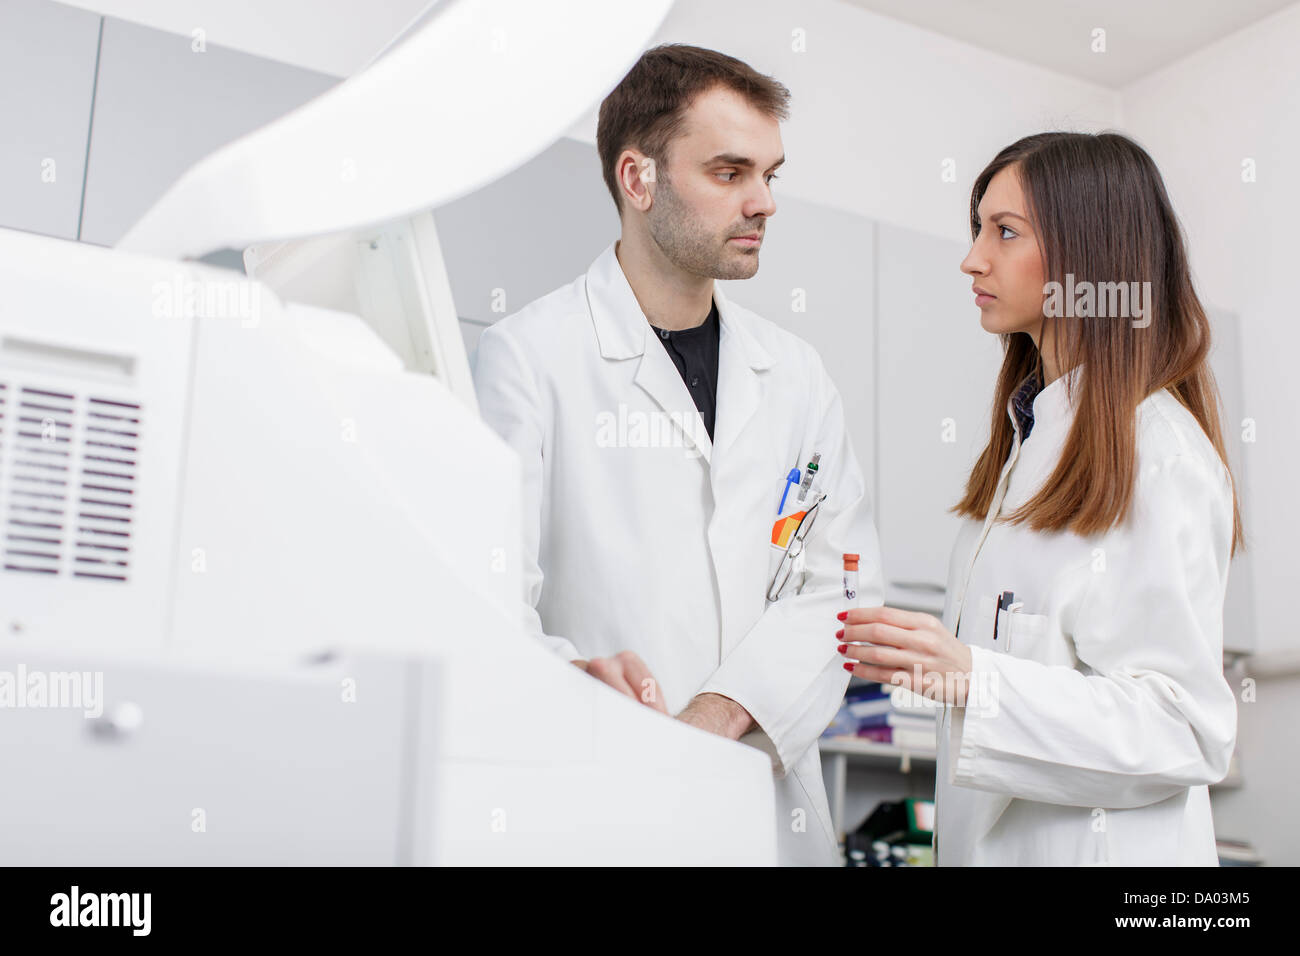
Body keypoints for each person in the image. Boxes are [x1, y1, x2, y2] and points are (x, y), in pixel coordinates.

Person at [472, 44, 882, 866]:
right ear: (638, 179)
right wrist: (580, 685)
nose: (764, 201)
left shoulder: (795, 376)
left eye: (771, 174)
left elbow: (839, 589)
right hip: (601, 800)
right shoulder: (530, 357)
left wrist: (721, 714)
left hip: (764, 807)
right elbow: (491, 605)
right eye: (730, 172)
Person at [838, 131, 1241, 865]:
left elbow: (1186, 727)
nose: (972, 258)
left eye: (1006, 232)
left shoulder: (1161, 456)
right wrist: (938, 669)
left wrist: (972, 677)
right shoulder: (1032, 440)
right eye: (977, 229)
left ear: (1087, 257)